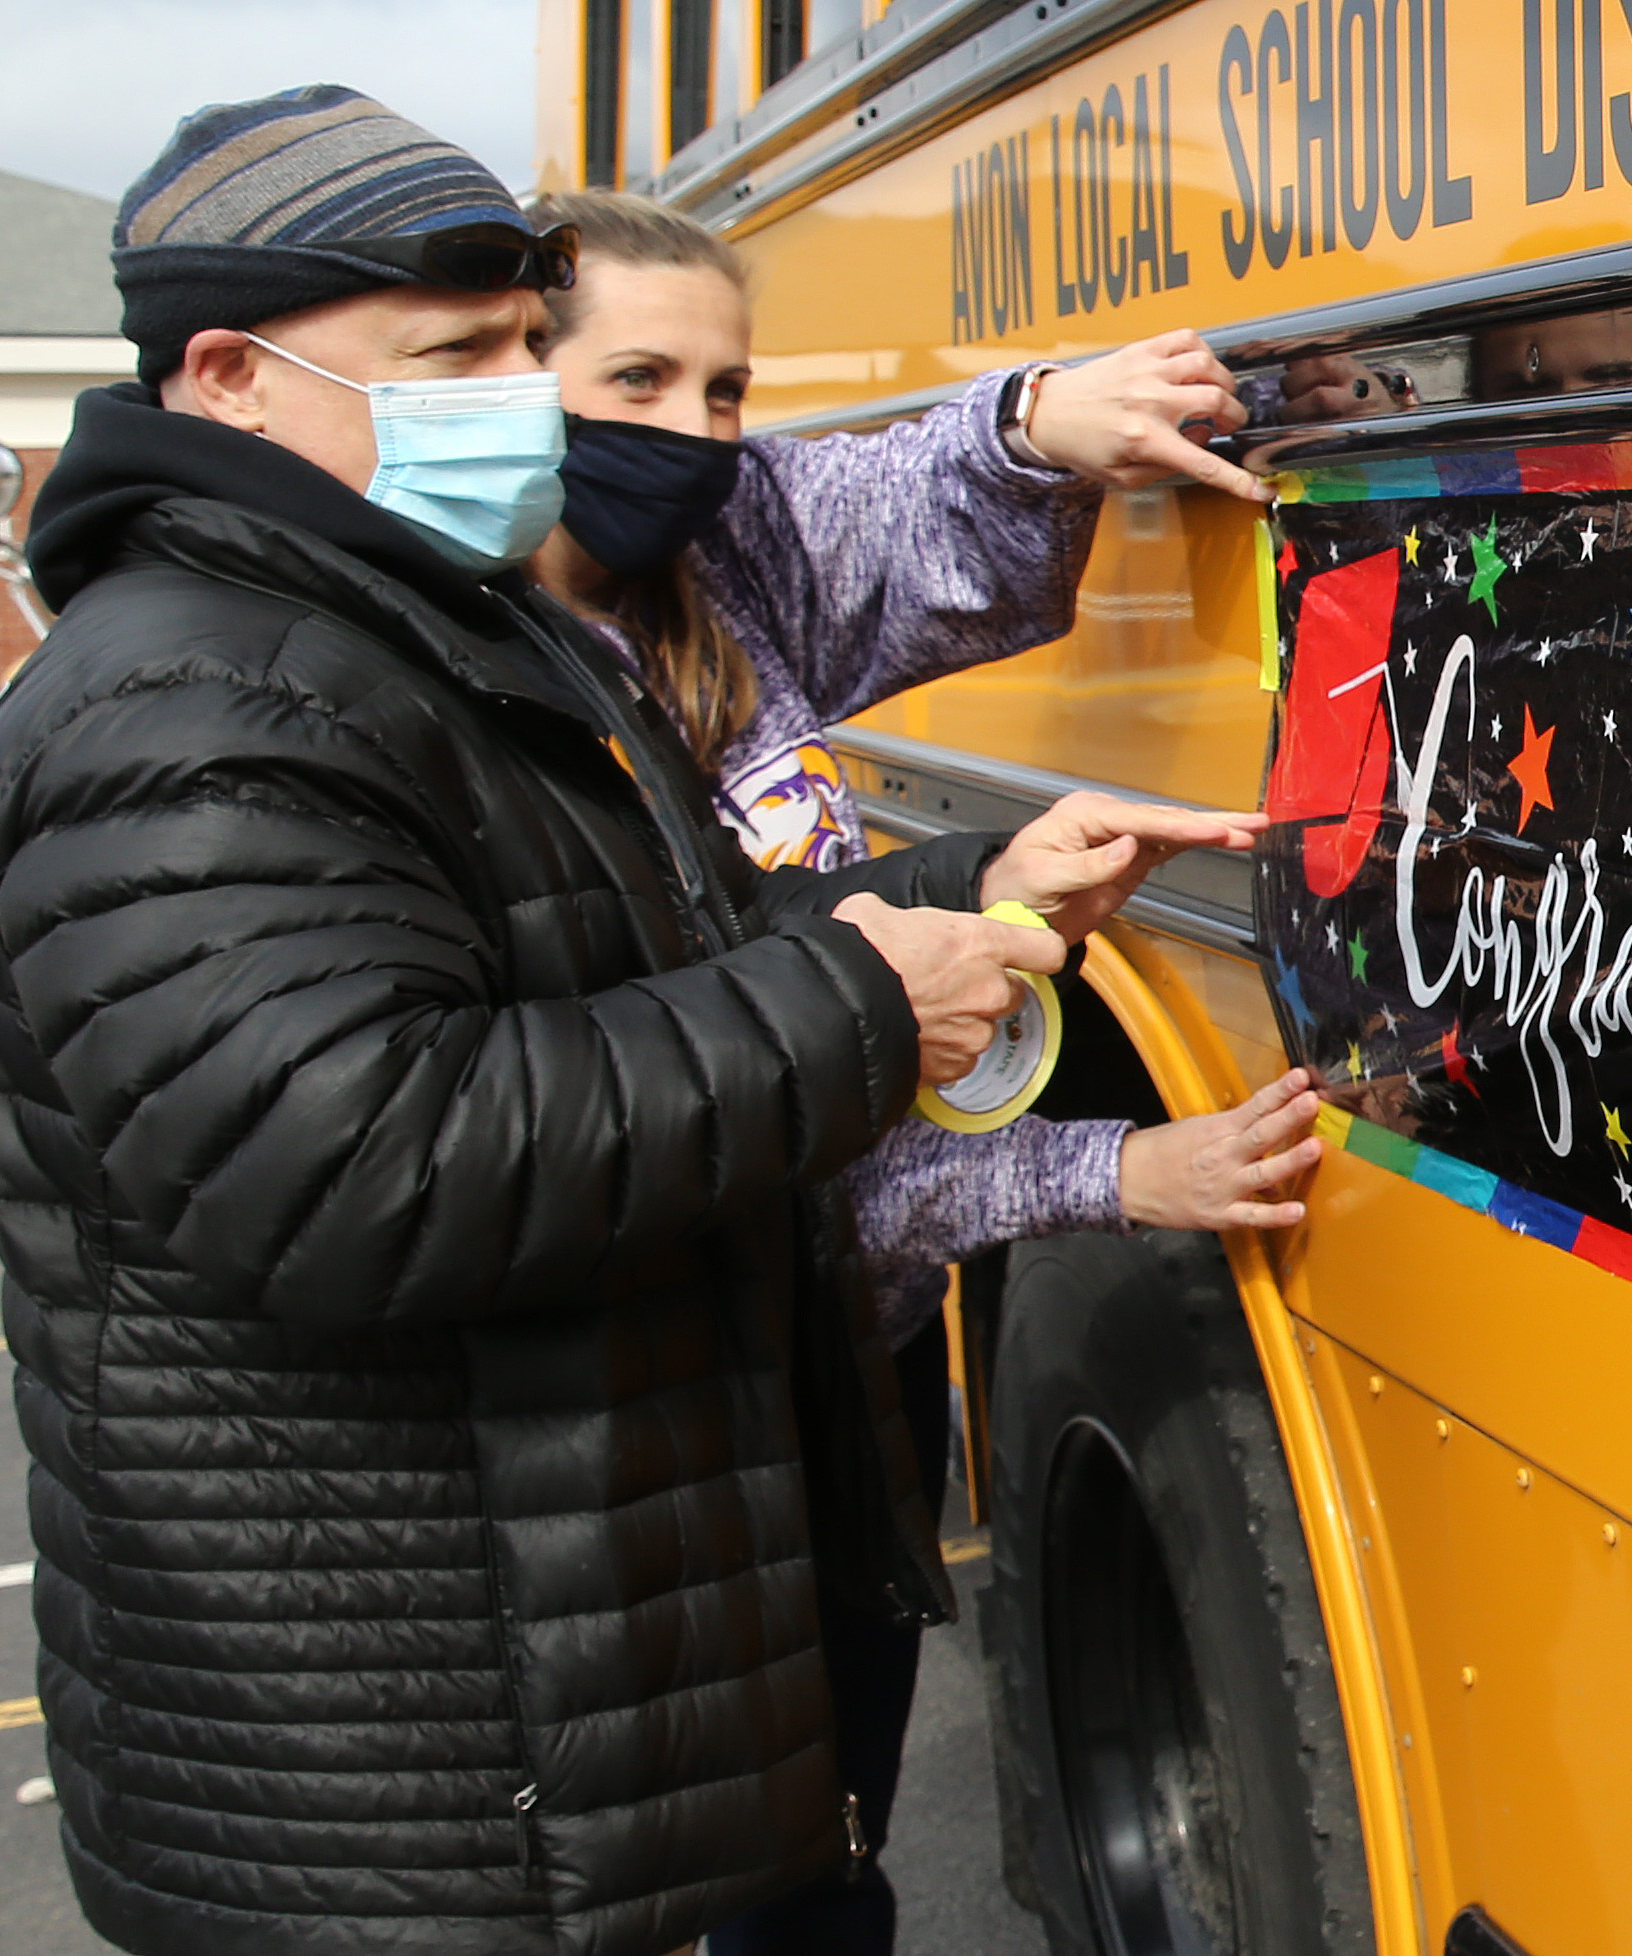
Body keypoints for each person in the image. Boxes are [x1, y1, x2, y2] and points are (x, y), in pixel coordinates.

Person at [0, 86, 1297, 1956]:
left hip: (548, 1672)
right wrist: (859, 997)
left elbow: (633, 954)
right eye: (464, 354)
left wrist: (969, 898)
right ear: (234, 380)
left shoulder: (411, 628)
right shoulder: (193, 701)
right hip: (418, 1776)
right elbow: (355, 1166)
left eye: (521, 342)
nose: (528, 397)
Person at [518, 188, 1318, 1953]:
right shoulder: (486, 693)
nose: (691, 435)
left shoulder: (710, 575)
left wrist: (1048, 419)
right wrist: (1108, 1172)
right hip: (650, 1430)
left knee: (820, 1865)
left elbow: (891, 501)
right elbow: (734, 1094)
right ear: (511, 370)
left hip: (821, 1385)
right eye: (633, 377)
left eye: (725, 393)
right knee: (712, 1884)